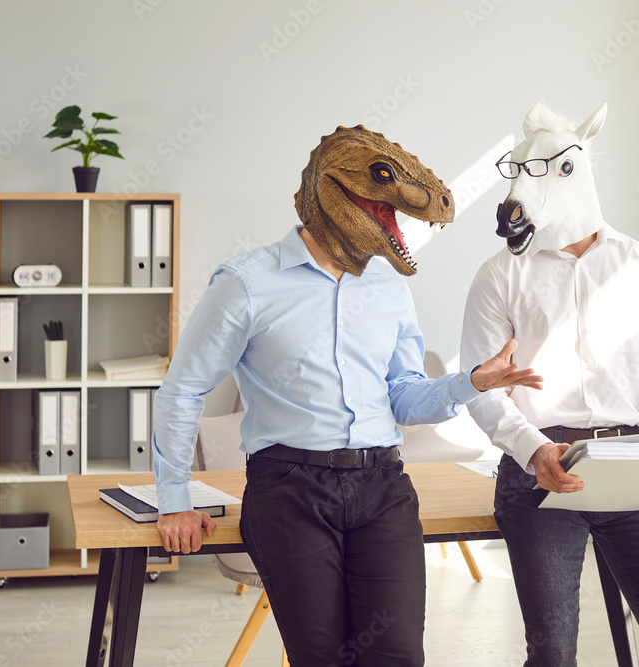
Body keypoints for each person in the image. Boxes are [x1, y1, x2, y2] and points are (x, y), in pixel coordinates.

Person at [152, 124, 542, 667]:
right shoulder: (245, 283)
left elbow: (403, 397)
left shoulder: (390, 289)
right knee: (322, 659)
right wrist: (174, 499)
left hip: (382, 486)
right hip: (288, 489)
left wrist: (469, 383)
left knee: (398, 656)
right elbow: (181, 391)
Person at [460, 102, 639, 666]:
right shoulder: (499, 274)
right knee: (552, 653)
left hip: (634, 460)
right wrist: (534, 450)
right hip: (543, 468)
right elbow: (480, 386)